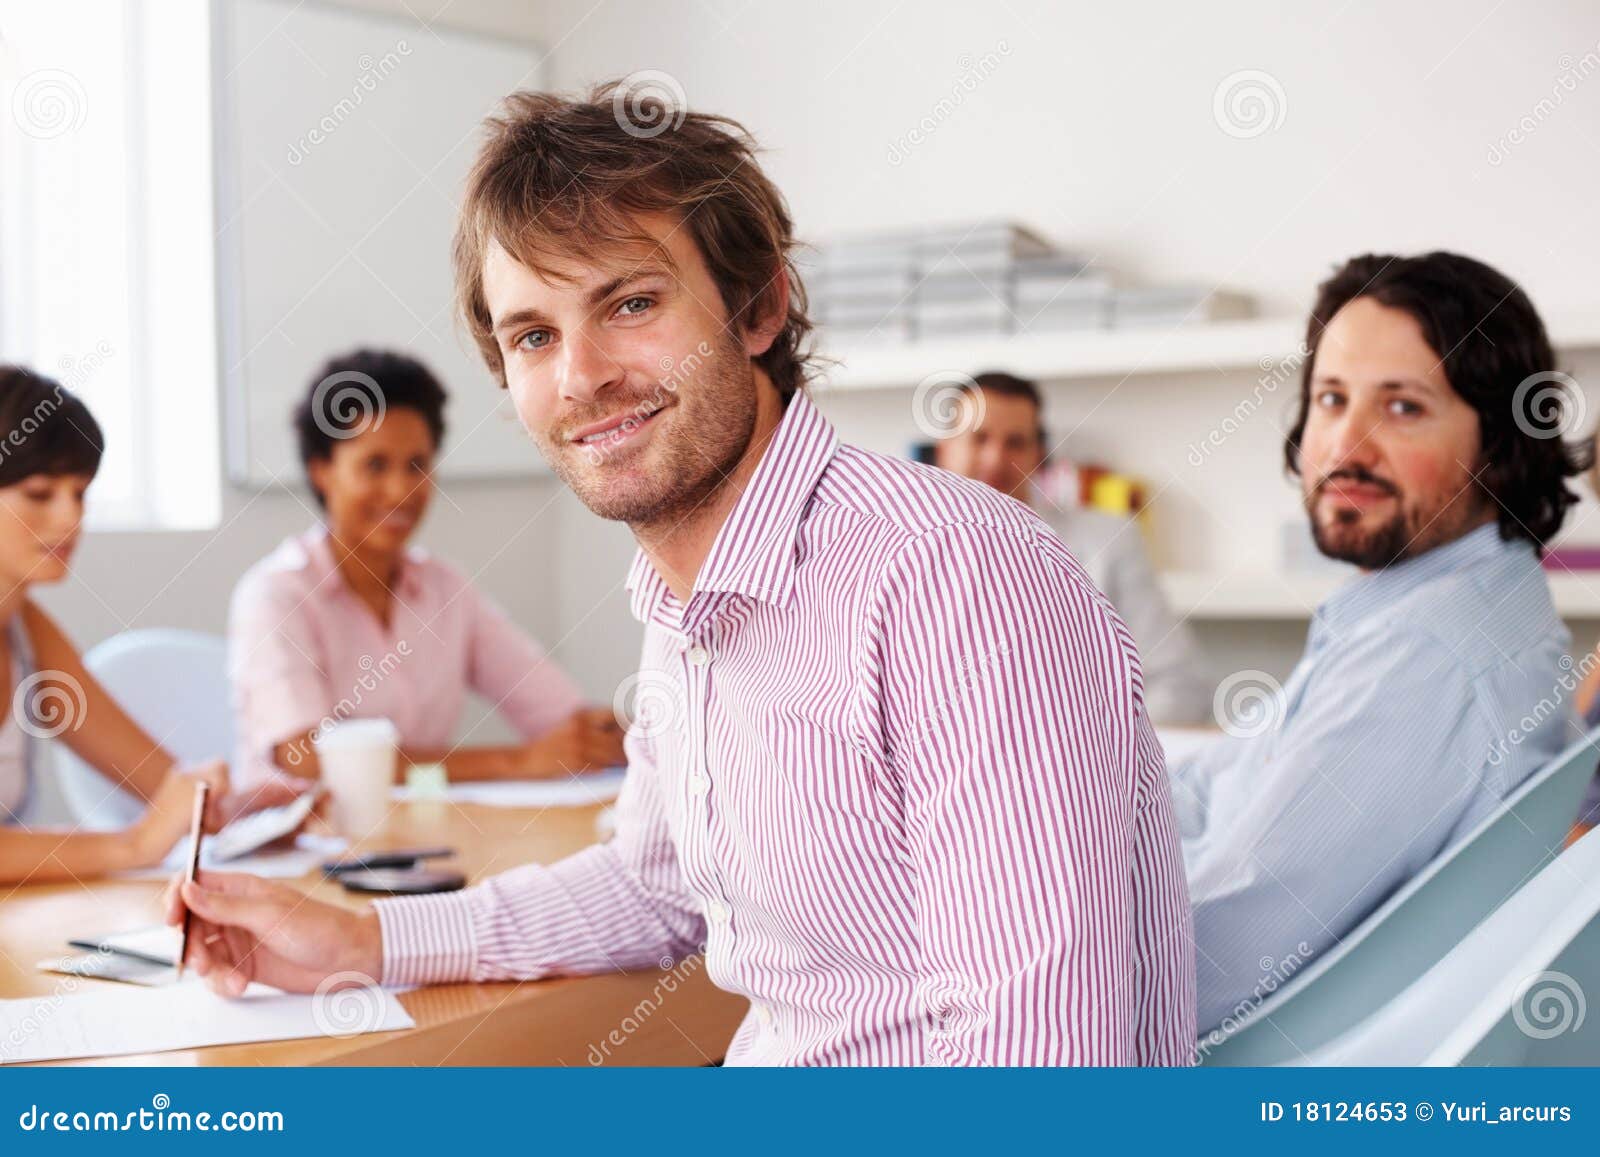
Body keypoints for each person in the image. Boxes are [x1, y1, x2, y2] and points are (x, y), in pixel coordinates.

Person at [170, 83, 1197, 1066]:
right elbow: (654, 885)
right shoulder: (684, 600)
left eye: (629, 303)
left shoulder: (957, 577)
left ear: (757, 308)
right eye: (534, 334)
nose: (581, 377)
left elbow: (1045, 1060)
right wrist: (360, 939)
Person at [1173, 252, 1587, 1035]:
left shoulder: (1428, 657)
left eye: (1402, 408)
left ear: (1499, 441)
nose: (1344, 447)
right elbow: (1204, 791)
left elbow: (1199, 966)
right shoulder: (1424, 603)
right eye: (1331, 399)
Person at [228, 349, 624, 786]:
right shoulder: (274, 595)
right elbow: (305, 759)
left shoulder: (445, 591)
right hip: (296, 846)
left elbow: (561, 717)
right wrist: (517, 762)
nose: (400, 489)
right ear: (322, 471)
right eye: (375, 465)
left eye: (416, 464)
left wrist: (630, 737)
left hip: (414, 838)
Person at [0, 366, 297, 884]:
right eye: (41, 493)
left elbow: (159, 783)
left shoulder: (24, 629)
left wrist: (232, 812)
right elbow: (147, 830)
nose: (71, 517)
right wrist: (132, 845)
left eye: (81, 491)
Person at [932, 371, 1210, 724]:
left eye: (1015, 442)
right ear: (944, 449)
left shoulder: (1110, 540)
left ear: (1038, 454)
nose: (995, 459)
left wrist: (1095, 754)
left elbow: (1178, 685)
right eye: (979, 438)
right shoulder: (898, 553)